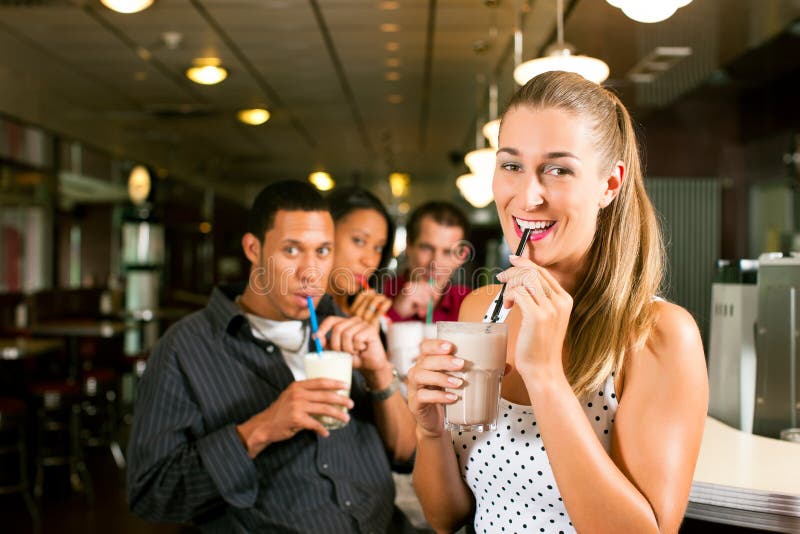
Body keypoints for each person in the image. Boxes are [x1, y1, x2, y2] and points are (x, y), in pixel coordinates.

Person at [408, 71, 708, 533]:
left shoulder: (658, 333)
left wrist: (546, 377)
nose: (528, 196)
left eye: (559, 169)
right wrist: (428, 430)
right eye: (511, 166)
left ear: (610, 185)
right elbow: (447, 516)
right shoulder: (481, 312)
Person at [127, 180, 418, 533]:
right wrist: (259, 429)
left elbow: (406, 456)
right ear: (253, 248)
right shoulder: (184, 348)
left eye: (323, 251)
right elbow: (151, 494)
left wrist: (380, 374)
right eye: (292, 251)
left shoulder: (346, 328)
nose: (310, 272)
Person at [384, 201, 471, 323]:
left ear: (462, 255)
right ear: (408, 245)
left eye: (447, 252)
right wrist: (395, 313)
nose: (435, 263)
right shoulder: (378, 293)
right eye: (426, 248)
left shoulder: (471, 304)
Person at [328, 186, 395, 328]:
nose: (370, 261)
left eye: (378, 248)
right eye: (358, 240)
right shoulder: (299, 318)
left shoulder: (376, 320)